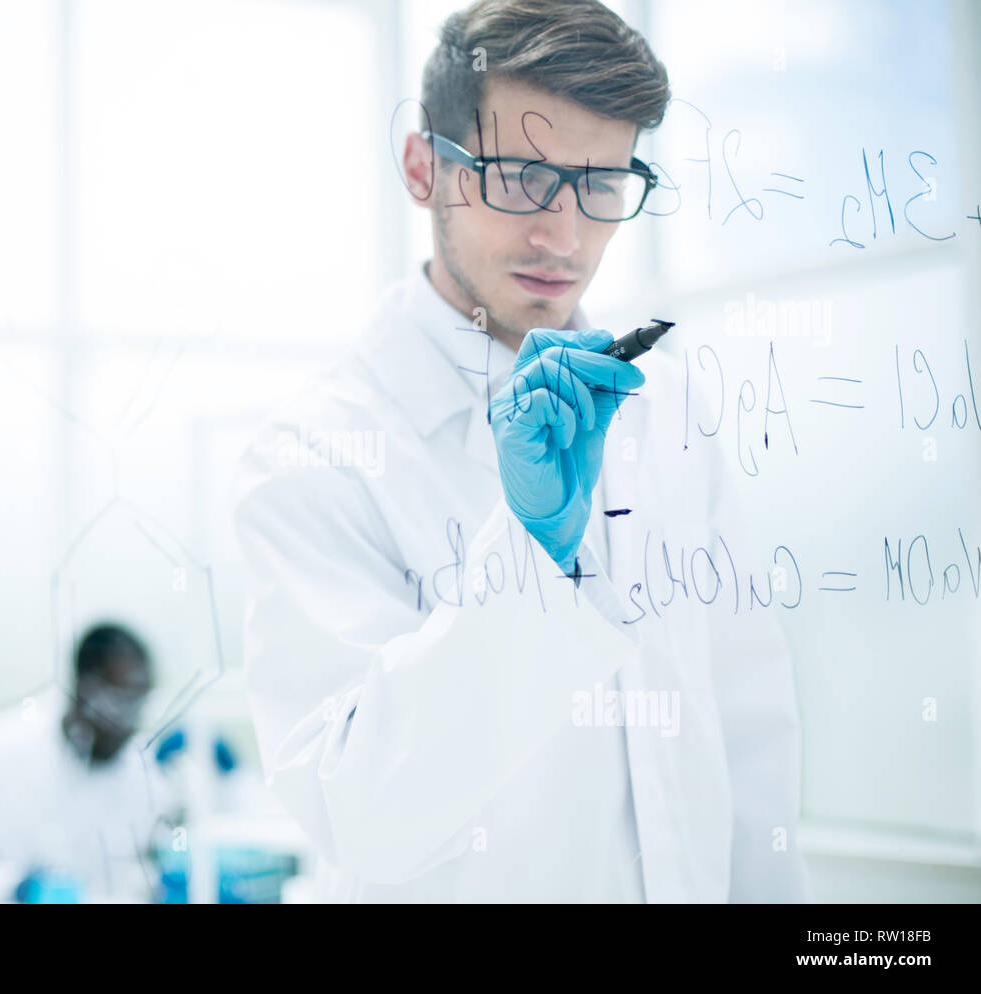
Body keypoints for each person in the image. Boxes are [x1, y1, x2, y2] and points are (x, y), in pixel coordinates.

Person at [232, 0, 810, 902]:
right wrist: (528, 557)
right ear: (424, 167)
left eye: (601, 182)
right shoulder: (312, 458)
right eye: (520, 177)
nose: (564, 236)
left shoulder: (669, 416)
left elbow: (748, 738)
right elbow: (355, 814)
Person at [0, 624, 176, 901]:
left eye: (139, 701)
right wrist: (13, 886)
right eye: (120, 702)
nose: (130, 723)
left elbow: (147, 875)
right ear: (83, 688)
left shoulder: (141, 775)